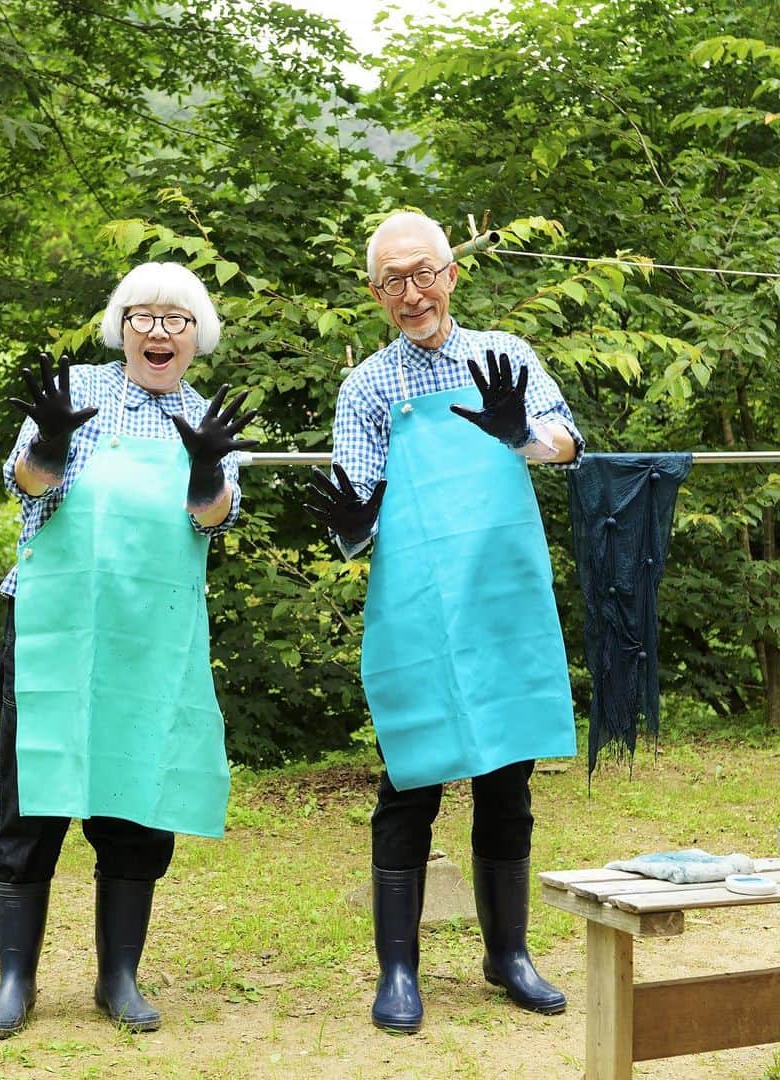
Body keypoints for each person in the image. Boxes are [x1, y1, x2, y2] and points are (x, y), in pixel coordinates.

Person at [305, 211, 583, 1034]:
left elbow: (568, 446)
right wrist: (352, 517)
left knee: (507, 780)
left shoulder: (508, 357)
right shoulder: (366, 388)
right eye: (392, 280)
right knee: (410, 783)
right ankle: (399, 970)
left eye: (423, 272)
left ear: (451, 274)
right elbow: (356, 523)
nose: (411, 292)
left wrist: (521, 434)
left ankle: (510, 955)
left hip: (500, 599)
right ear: (374, 293)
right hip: (418, 608)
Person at [0, 261, 257, 1039]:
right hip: (52, 632)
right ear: (120, 326)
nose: (159, 331)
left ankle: (117, 978)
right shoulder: (73, 397)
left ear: (198, 336)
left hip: (150, 641)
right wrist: (52, 445)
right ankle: (14, 981)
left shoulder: (209, 417)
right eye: (144, 316)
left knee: (137, 800)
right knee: (30, 796)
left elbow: (212, 519)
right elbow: (26, 484)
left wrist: (206, 469)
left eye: (176, 319)